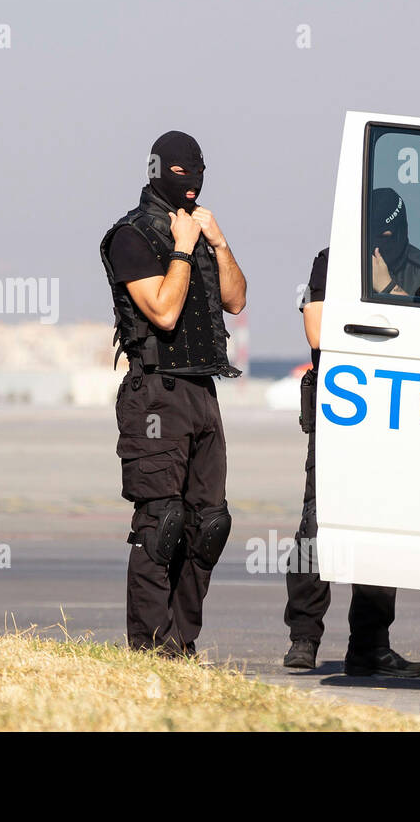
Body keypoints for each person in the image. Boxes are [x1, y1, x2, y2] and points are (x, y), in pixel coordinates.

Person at [282, 187, 420, 675]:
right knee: (316, 524)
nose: (381, 244)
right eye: (374, 234)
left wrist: (387, 293)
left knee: (382, 526)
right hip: (340, 416)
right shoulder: (331, 262)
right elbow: (317, 333)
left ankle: (370, 646)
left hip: (400, 419)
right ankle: (303, 639)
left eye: (389, 235)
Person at [99, 130, 247, 656]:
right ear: (158, 171)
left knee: (208, 525)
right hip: (155, 394)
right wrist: (183, 248)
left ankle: (180, 647)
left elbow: (236, 301)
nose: (191, 181)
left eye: (198, 170)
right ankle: (147, 647)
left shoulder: (203, 231)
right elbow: (161, 311)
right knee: (161, 524)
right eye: (181, 171)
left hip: (204, 390)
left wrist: (219, 244)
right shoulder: (131, 235)